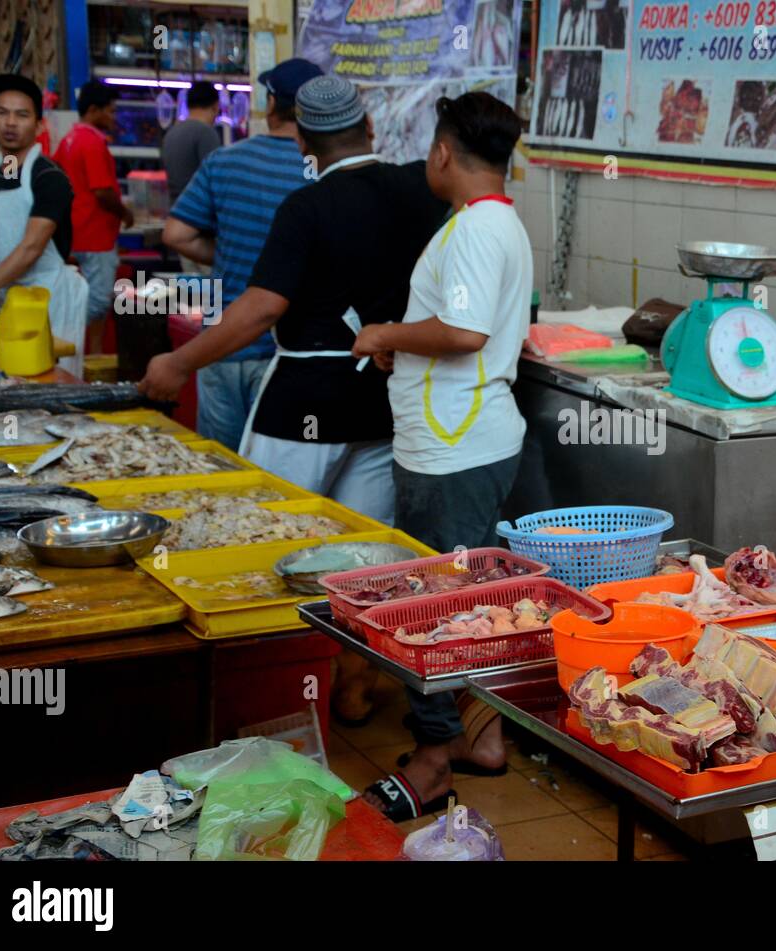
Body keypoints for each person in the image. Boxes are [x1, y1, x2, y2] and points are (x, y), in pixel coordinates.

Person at [139, 73, 447, 519]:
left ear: (302, 142)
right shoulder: (421, 189)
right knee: (360, 552)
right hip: (383, 403)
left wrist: (179, 362)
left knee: (266, 529)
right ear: (371, 127)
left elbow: (263, 307)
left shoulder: (305, 208)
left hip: (305, 403)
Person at [351, 91, 531, 822]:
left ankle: (431, 763)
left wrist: (385, 335)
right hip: (463, 440)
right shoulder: (490, 221)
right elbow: (462, 327)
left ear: (444, 152)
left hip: (451, 451)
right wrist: (407, 350)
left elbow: (463, 331)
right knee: (466, 607)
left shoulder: (475, 231)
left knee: (429, 615)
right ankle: (480, 741)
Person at [161, 58, 323, 451]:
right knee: (277, 479)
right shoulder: (320, 170)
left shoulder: (225, 161)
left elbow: (175, 233)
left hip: (221, 342)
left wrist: (229, 249)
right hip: (288, 353)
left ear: (270, 104)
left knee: (220, 467)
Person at [0, 75, 86, 375]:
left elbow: (31, 248)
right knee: (7, 380)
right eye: (2, 113)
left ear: (39, 125)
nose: (10, 123)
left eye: (22, 115)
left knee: (49, 386)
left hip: (51, 299)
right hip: (10, 298)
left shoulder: (49, 177)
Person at [53, 79, 132, 356]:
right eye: (110, 111)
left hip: (76, 233)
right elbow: (102, 191)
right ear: (94, 110)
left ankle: (94, 358)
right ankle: (58, 338)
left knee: (91, 301)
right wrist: (125, 213)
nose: (113, 117)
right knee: (98, 301)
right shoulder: (92, 143)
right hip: (95, 236)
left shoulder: (69, 140)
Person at [161, 80, 221, 206]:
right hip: (198, 213)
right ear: (215, 106)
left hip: (176, 210)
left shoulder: (171, 133)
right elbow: (215, 180)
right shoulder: (206, 133)